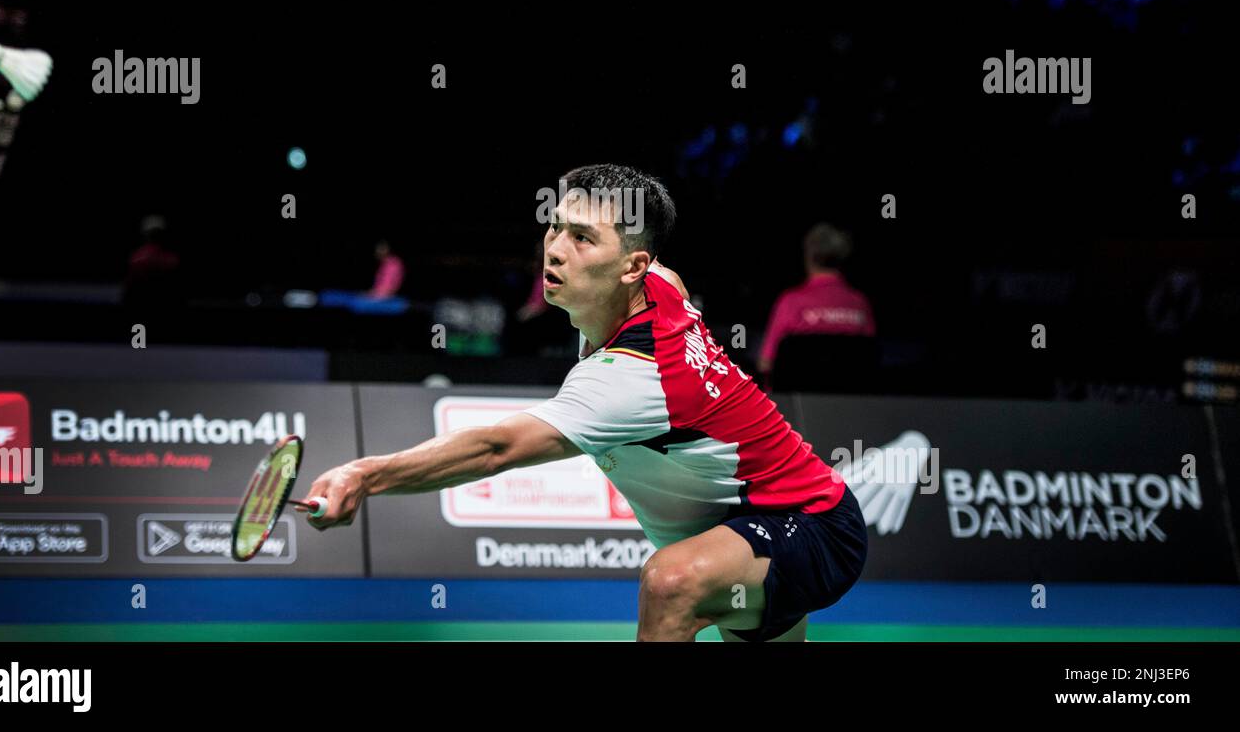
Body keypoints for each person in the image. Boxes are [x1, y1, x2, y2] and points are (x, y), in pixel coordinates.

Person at [298, 164, 867, 642]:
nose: (555, 250)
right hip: (739, 532)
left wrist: (364, 475)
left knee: (669, 584)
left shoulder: (632, 378)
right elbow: (674, 278)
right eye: (555, 227)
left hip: (808, 525)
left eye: (583, 238)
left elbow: (496, 449)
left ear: (632, 267)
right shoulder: (656, 285)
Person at [757, 222, 876, 377]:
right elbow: (872, 362)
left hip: (800, 398)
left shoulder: (791, 302)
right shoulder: (861, 304)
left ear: (809, 255)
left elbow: (765, 364)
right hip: (851, 399)